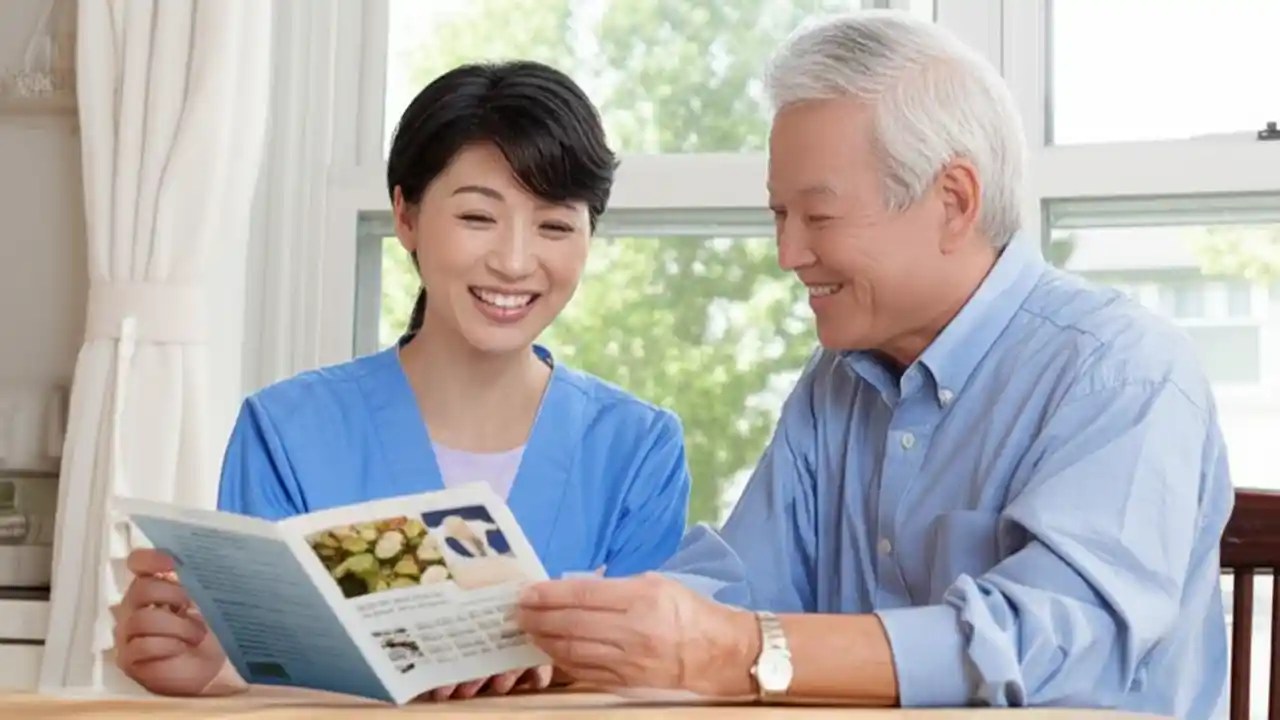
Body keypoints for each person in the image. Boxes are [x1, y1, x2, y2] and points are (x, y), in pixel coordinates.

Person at [516, 12, 1234, 719]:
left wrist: (740, 649)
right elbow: (741, 583)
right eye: (778, 215)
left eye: (818, 218)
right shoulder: (837, 381)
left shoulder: (1122, 371)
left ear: (953, 201)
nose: (788, 253)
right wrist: (567, 637)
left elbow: (1053, 645)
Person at [113, 60, 692, 702]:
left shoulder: (638, 449)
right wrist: (203, 664)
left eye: (554, 225)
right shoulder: (286, 431)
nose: (515, 261)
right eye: (478, 217)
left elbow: (653, 681)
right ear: (406, 216)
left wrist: (564, 667)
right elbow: (260, 670)